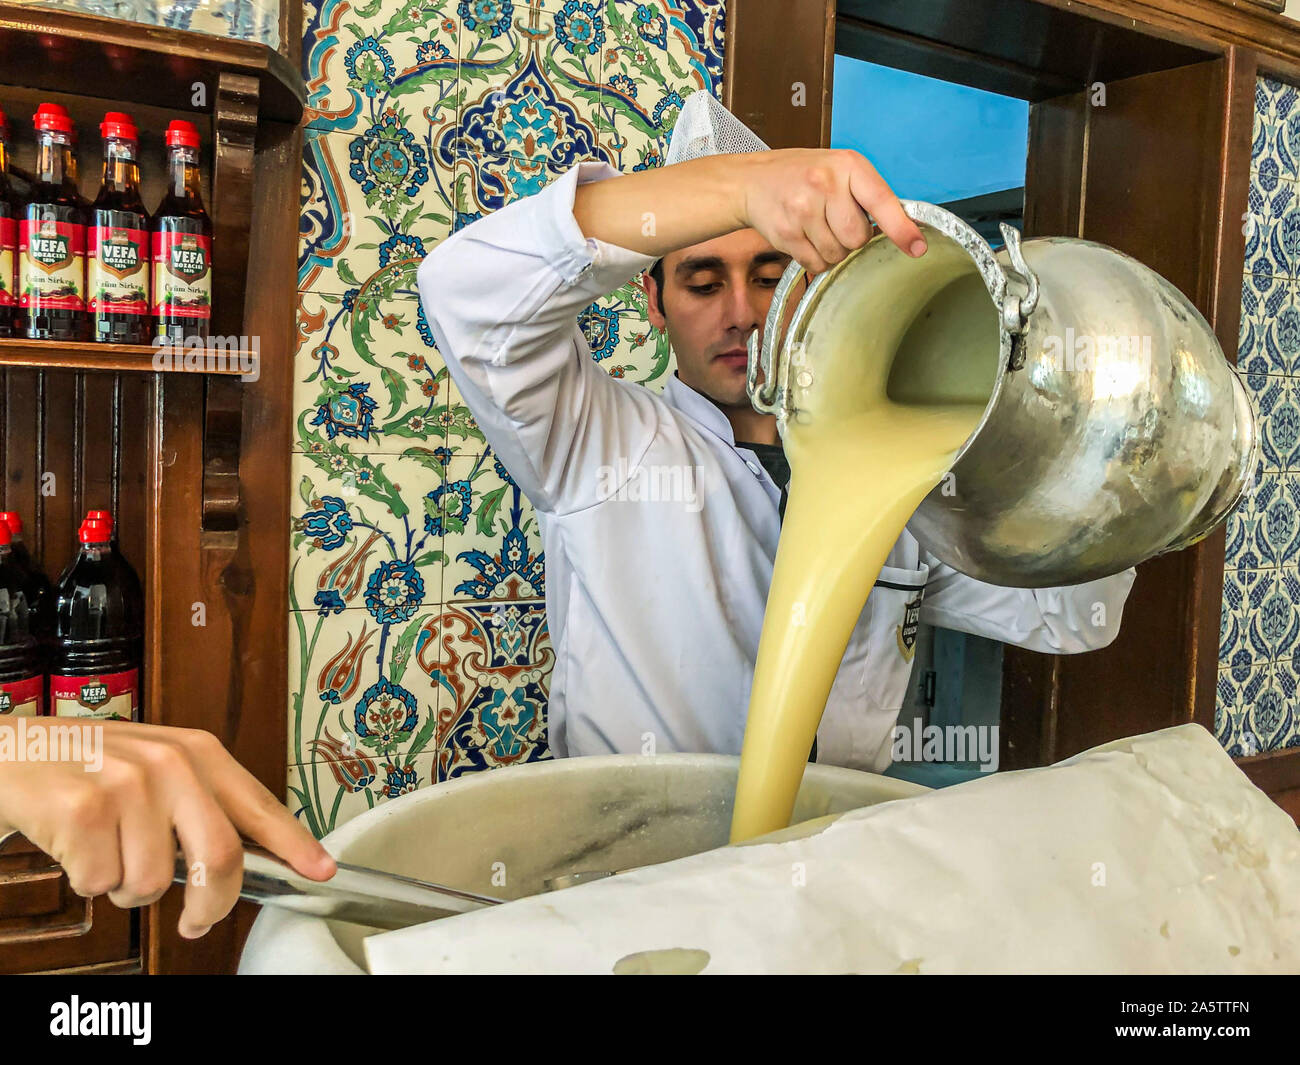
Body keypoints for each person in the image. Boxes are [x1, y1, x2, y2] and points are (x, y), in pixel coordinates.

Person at [0, 96, 1134, 936]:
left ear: (814, 286)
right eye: (702, 279)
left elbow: (1071, 614)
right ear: (653, 297)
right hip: (629, 877)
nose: (742, 312)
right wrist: (747, 186)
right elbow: (468, 292)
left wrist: (1066, 429)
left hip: (832, 877)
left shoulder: (898, 475)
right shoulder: (603, 442)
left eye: (770, 273)